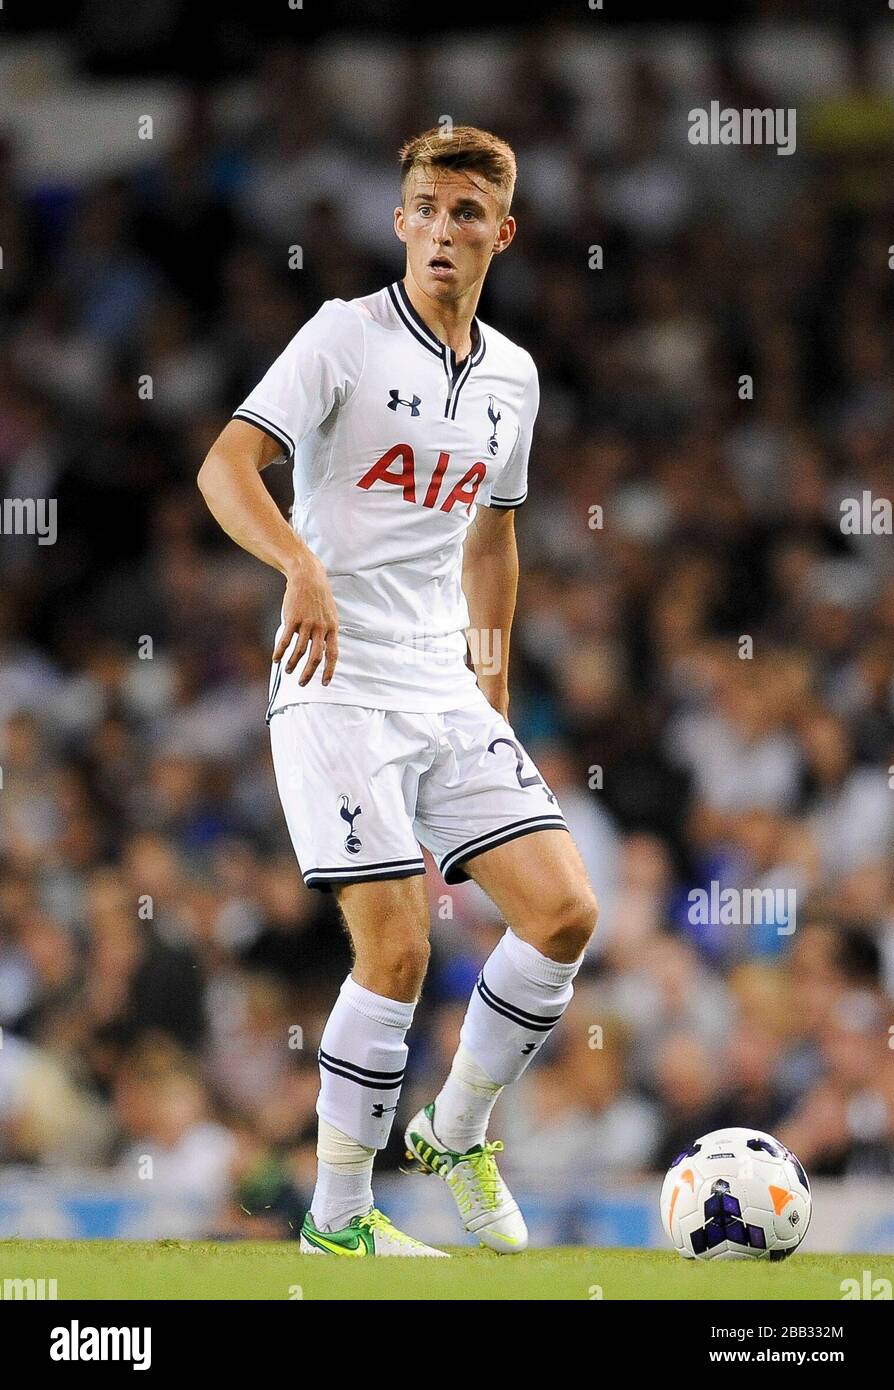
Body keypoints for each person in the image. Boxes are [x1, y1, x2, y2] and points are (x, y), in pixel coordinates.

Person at [197, 125, 599, 1256]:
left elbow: (494, 535)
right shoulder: (342, 336)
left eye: (467, 213)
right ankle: (338, 1216)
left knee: (566, 909)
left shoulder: (512, 376)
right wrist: (299, 566)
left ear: (500, 235)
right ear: (400, 222)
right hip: (334, 680)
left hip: (442, 681)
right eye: (425, 207)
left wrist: (494, 677)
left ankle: (457, 1128)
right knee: (400, 942)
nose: (442, 229)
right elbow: (225, 464)